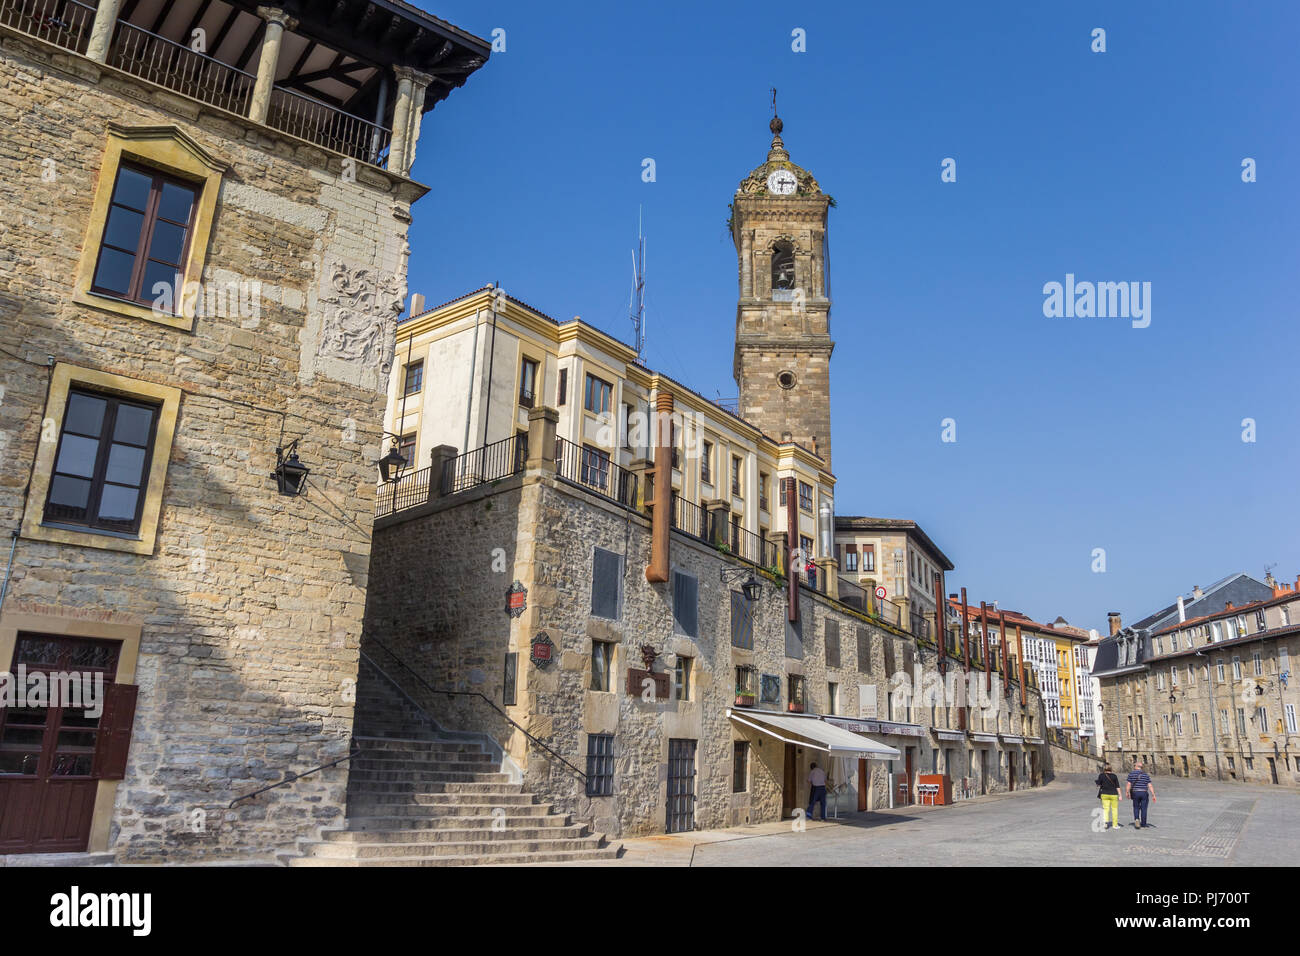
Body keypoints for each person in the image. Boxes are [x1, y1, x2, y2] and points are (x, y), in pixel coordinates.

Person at [1125, 759, 1156, 828]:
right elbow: (1150, 785)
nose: (1133, 767)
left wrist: (1127, 792)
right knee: (1144, 808)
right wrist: (1153, 794)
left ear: (1136, 766)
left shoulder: (1131, 774)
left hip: (1135, 792)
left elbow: (1128, 784)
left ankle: (1136, 819)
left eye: (1134, 765)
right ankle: (1144, 823)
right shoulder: (1145, 775)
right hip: (1144, 793)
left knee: (1136, 807)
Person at [1095, 762, 1120, 830]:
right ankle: (1115, 825)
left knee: (1106, 809)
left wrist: (1097, 782)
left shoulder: (1101, 775)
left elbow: (1099, 784)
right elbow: (1117, 786)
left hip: (1104, 794)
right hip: (1114, 794)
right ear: (1110, 768)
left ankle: (1105, 822)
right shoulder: (1114, 776)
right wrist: (1120, 795)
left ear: (1104, 768)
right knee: (1114, 809)